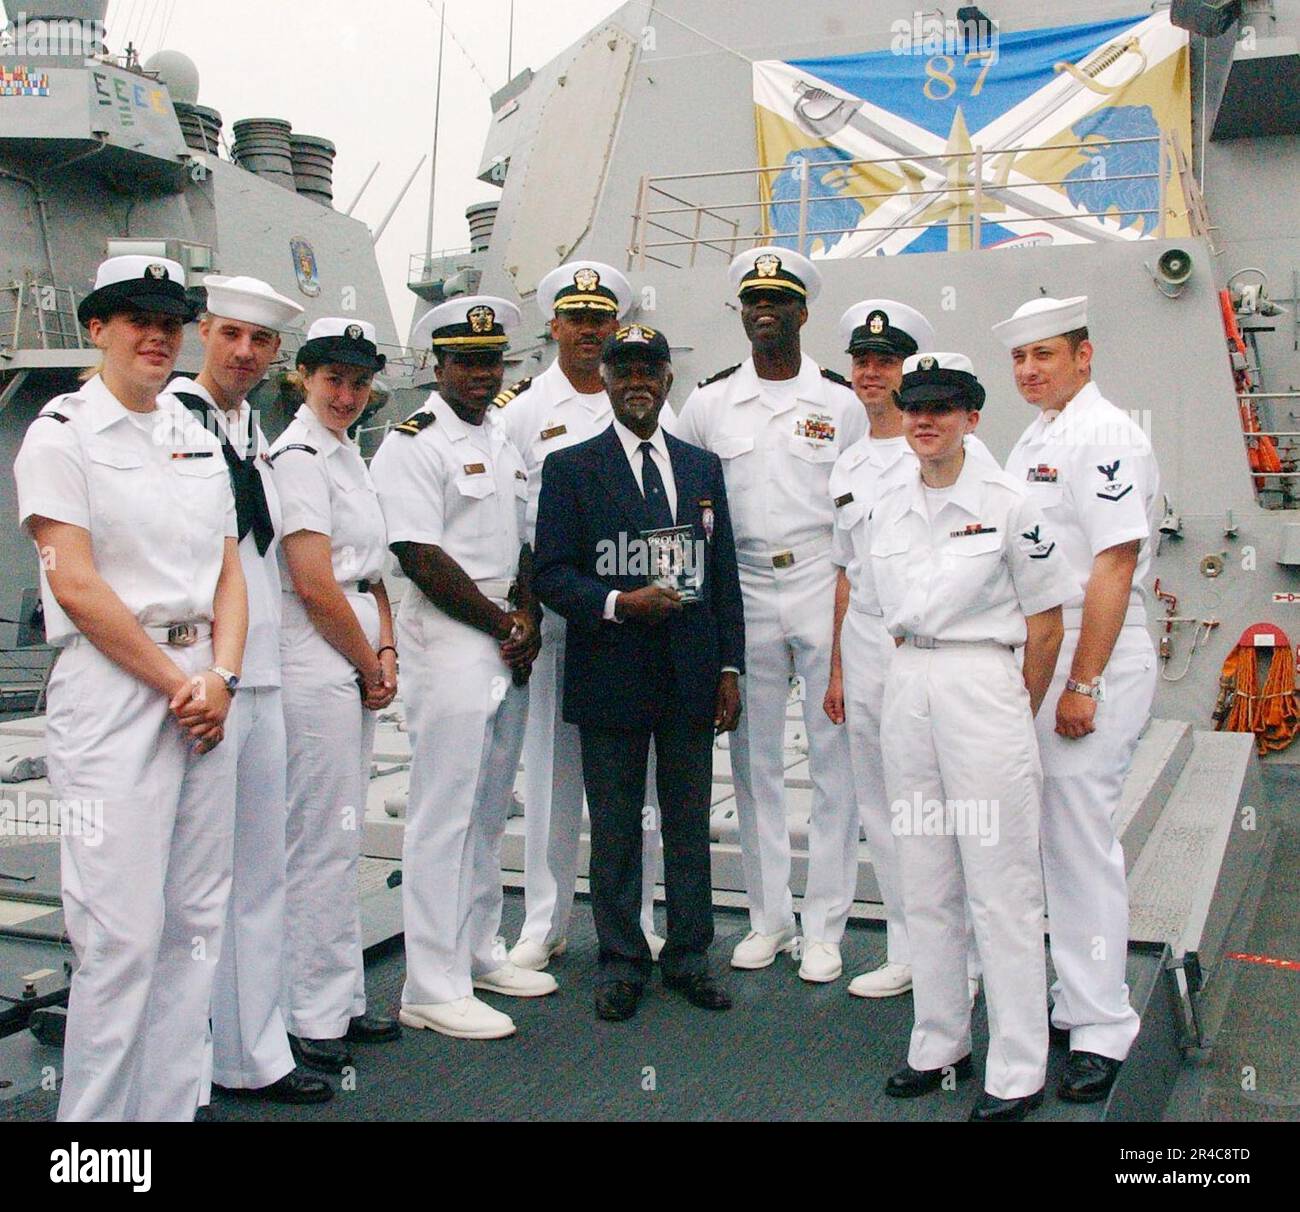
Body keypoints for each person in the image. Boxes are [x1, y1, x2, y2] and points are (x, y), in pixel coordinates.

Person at [13, 255, 246, 1120]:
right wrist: (180, 684)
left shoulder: (192, 429)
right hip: (114, 693)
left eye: (169, 319)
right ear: (97, 328)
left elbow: (229, 573)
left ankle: (166, 1115)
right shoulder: (61, 434)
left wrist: (220, 676)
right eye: (134, 317)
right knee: (119, 936)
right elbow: (73, 584)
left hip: (204, 687)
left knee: (194, 924)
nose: (157, 334)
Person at [870, 352, 1075, 1121]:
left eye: (944, 411)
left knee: (1002, 888)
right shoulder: (886, 506)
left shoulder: (1011, 503)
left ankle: (1017, 1068)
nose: (926, 422)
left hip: (983, 685)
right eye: (915, 409)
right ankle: (939, 1041)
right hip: (909, 686)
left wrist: (1008, 712)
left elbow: (1048, 623)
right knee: (924, 878)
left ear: (971, 420)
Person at [534, 323, 744, 1021]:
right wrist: (619, 601)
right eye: (623, 371)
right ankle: (621, 962)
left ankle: (689, 957)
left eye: (649, 371)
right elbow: (551, 574)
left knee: (688, 825)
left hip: (688, 672)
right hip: (611, 671)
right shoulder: (569, 468)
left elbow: (723, 578)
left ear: (666, 382)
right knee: (618, 828)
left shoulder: (700, 467)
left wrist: (729, 666)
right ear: (604, 380)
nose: (636, 384)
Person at [163, 275, 331, 1105]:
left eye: (261, 342)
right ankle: (180, 1069)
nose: (244, 352)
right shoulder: (167, 423)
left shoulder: (251, 434)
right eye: (231, 334)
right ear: (204, 333)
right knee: (188, 890)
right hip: (200, 680)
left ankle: (252, 1054)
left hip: (262, 672)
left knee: (258, 877)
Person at [677, 247, 864, 981]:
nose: (766, 311)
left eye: (780, 301)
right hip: (743, 587)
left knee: (832, 758)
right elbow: (682, 506)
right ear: (744, 312)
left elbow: (858, 504)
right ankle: (767, 919)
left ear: (802, 312)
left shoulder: (840, 403)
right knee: (753, 763)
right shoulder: (709, 404)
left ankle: (824, 926)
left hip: (820, 578)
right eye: (754, 300)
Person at [994, 295, 1160, 1103]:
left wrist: (1083, 684)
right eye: (1020, 359)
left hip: (1096, 658)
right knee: (1053, 839)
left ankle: (1101, 1025)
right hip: (1048, 654)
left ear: (1084, 356)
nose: (1030, 370)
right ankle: (1075, 995)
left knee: (1080, 838)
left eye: (1046, 355)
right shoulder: (1035, 436)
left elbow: (1115, 566)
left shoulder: (1105, 436)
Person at [372, 296, 551, 1042]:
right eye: (466, 362)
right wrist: (503, 623)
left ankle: (479, 950)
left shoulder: (504, 438)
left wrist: (529, 617)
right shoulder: (411, 444)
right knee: (442, 814)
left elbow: (523, 542)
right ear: (436, 367)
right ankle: (429, 983)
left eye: (491, 362)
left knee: (487, 806)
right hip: (449, 634)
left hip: (504, 630)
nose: (481, 375)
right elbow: (418, 554)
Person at [496, 261, 666, 972]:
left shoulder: (643, 398)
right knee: (552, 778)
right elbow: (509, 525)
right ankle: (546, 920)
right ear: (555, 326)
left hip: (634, 621)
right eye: (577, 318)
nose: (590, 330)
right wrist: (521, 614)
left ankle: (642, 916)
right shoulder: (523, 411)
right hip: (557, 615)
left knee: (641, 782)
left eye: (602, 319)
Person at [824, 300, 993, 1002]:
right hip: (866, 641)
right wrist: (836, 667)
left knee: (954, 806)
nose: (871, 372)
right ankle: (909, 947)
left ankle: (974, 960)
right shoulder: (849, 463)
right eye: (862, 361)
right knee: (884, 808)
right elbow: (845, 569)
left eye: (886, 361)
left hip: (933, 643)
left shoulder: (957, 448)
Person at [268, 317, 401, 1073]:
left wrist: (382, 648)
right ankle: (304, 1014)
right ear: (304, 378)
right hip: (313, 656)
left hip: (352, 649)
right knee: (315, 838)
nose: (346, 394)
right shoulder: (296, 457)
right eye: (332, 380)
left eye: (358, 382)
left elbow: (369, 573)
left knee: (340, 836)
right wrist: (365, 663)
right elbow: (315, 584)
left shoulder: (347, 453)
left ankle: (338, 998)